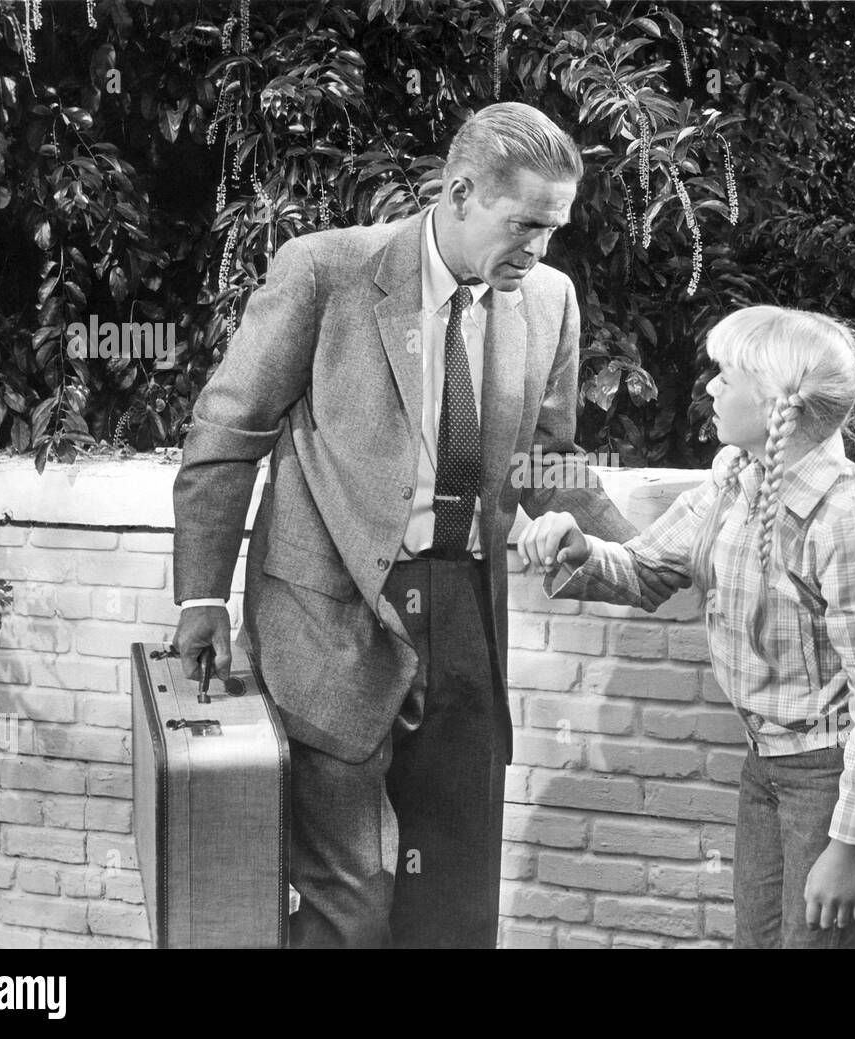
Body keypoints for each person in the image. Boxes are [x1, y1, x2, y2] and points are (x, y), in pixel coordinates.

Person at [171, 102, 685, 948]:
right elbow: (226, 437)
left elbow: (543, 460)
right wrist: (202, 598)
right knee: (350, 898)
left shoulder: (548, 301)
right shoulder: (326, 272)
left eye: (553, 230)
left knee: (453, 899)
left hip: (464, 617)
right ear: (460, 191)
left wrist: (642, 553)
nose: (540, 250)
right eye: (525, 225)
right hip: (328, 617)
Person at [519, 305, 855, 949]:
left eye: (725, 376)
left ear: (773, 404)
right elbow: (647, 566)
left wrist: (851, 845)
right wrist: (580, 548)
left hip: (833, 778)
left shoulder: (847, 516)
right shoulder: (737, 481)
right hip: (769, 766)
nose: (708, 387)